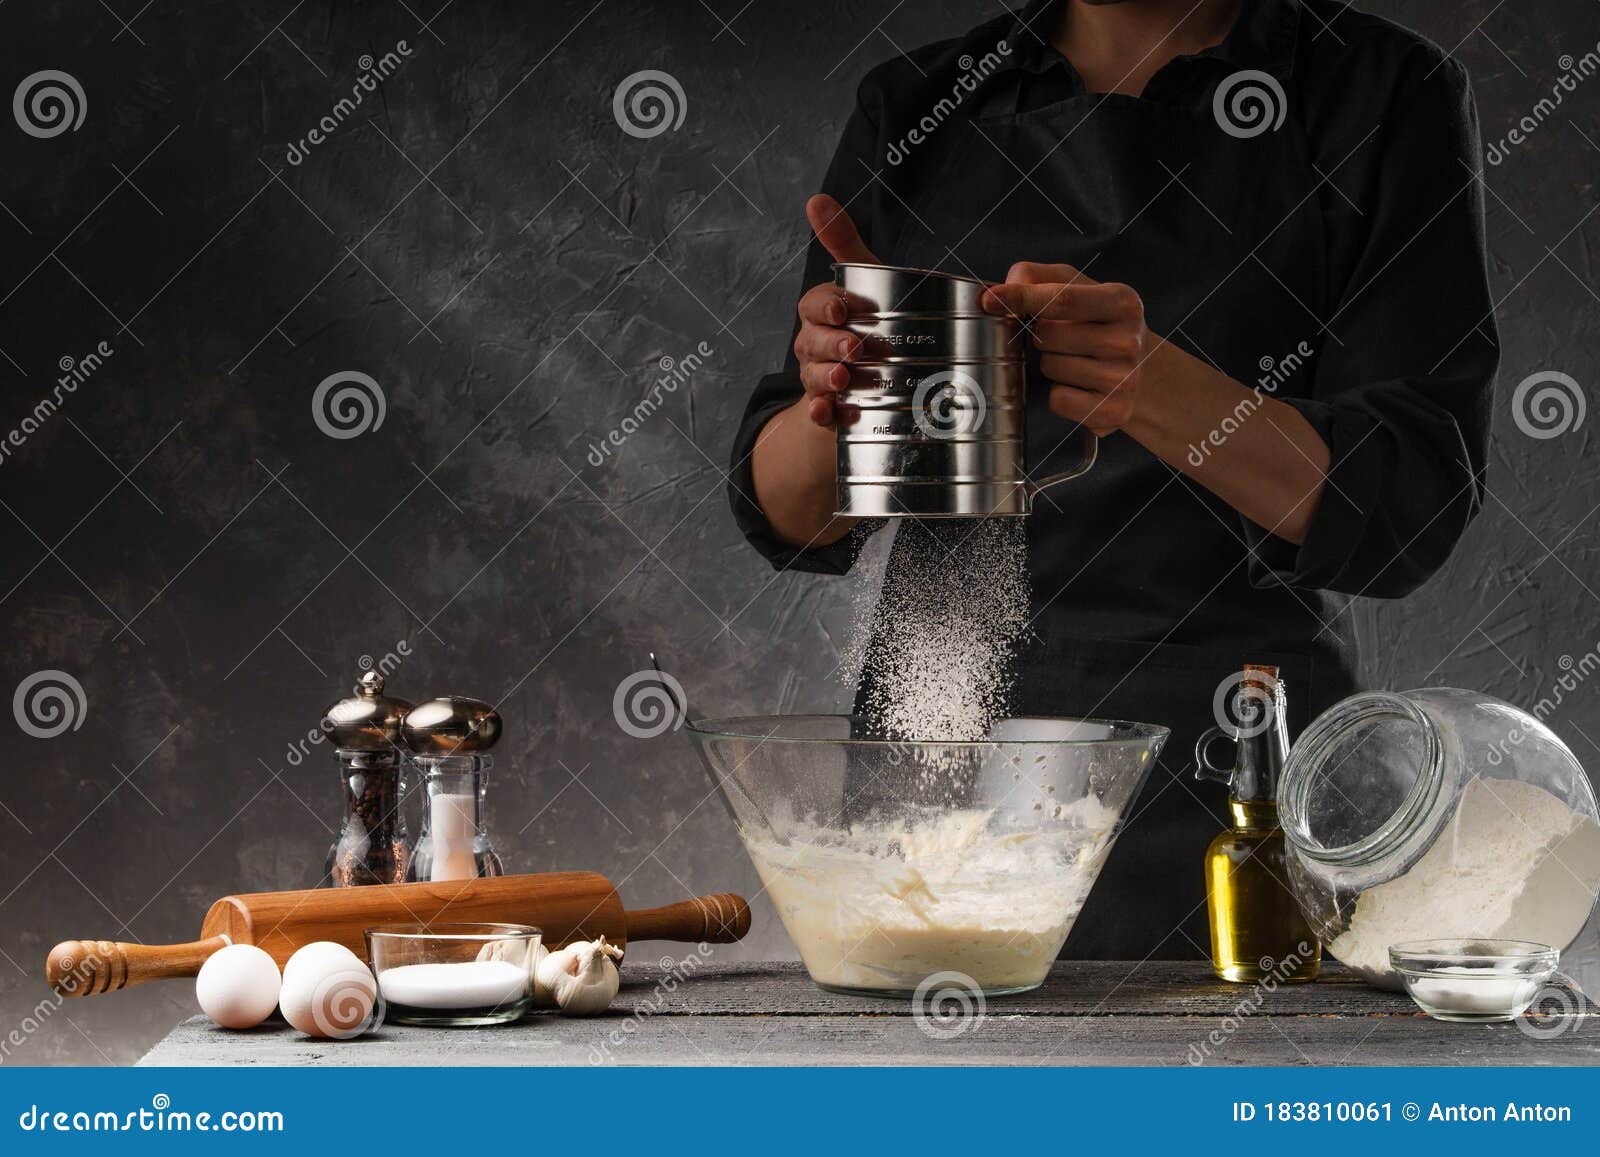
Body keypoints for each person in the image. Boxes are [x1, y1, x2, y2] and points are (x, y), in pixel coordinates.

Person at [727, 0, 1497, 959]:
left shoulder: (1378, 92)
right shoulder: (922, 103)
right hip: (937, 761)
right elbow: (792, 516)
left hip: (1228, 771)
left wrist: (1157, 388)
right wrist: (836, 394)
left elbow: (1411, 503)